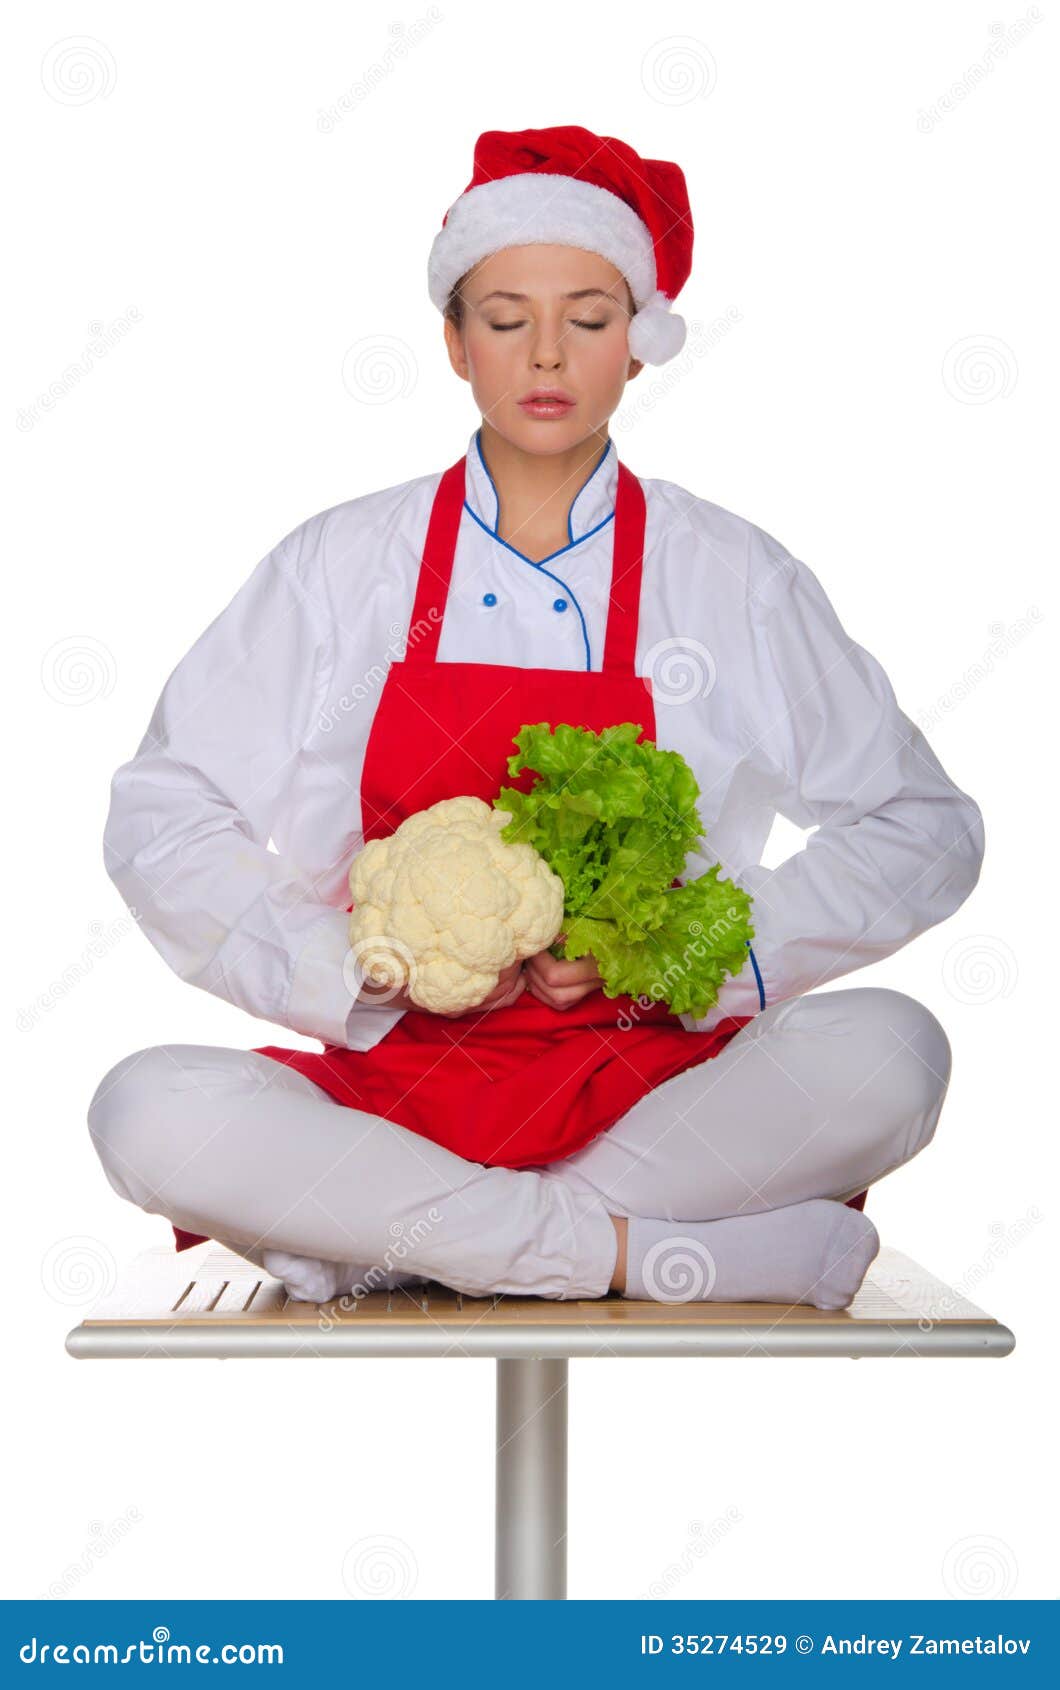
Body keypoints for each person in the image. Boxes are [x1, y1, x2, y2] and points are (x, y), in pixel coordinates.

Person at [86, 126, 983, 1309]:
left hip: (661, 1085)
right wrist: (348, 964)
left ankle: (408, 1241)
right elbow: (162, 812)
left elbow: (923, 828)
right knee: (145, 1110)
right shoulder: (338, 565)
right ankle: (630, 1254)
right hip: (390, 1083)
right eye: (506, 319)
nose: (546, 354)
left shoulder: (732, 577)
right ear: (455, 344)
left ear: (640, 347)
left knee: (896, 1052)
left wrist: (675, 955)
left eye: (591, 317)